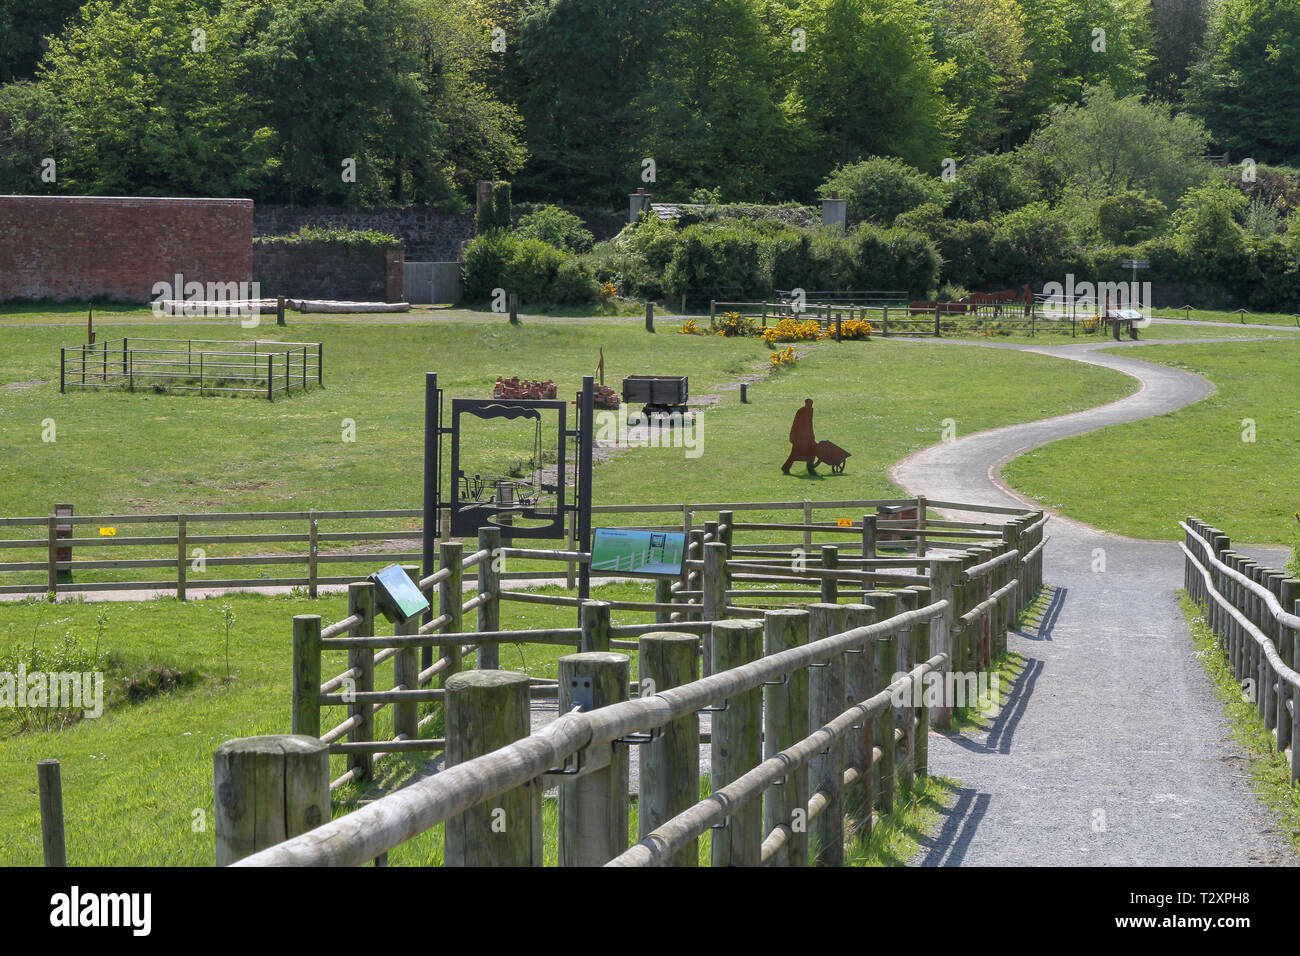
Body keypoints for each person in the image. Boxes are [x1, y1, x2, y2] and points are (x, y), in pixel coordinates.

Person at [782, 398, 817, 474]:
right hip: (800, 437)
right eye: (809, 404)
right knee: (795, 454)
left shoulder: (809, 411)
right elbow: (797, 424)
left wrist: (811, 435)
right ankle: (786, 467)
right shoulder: (802, 411)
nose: (810, 406)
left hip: (806, 437)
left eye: (811, 404)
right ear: (806, 404)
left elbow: (809, 425)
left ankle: (810, 468)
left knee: (811, 451)